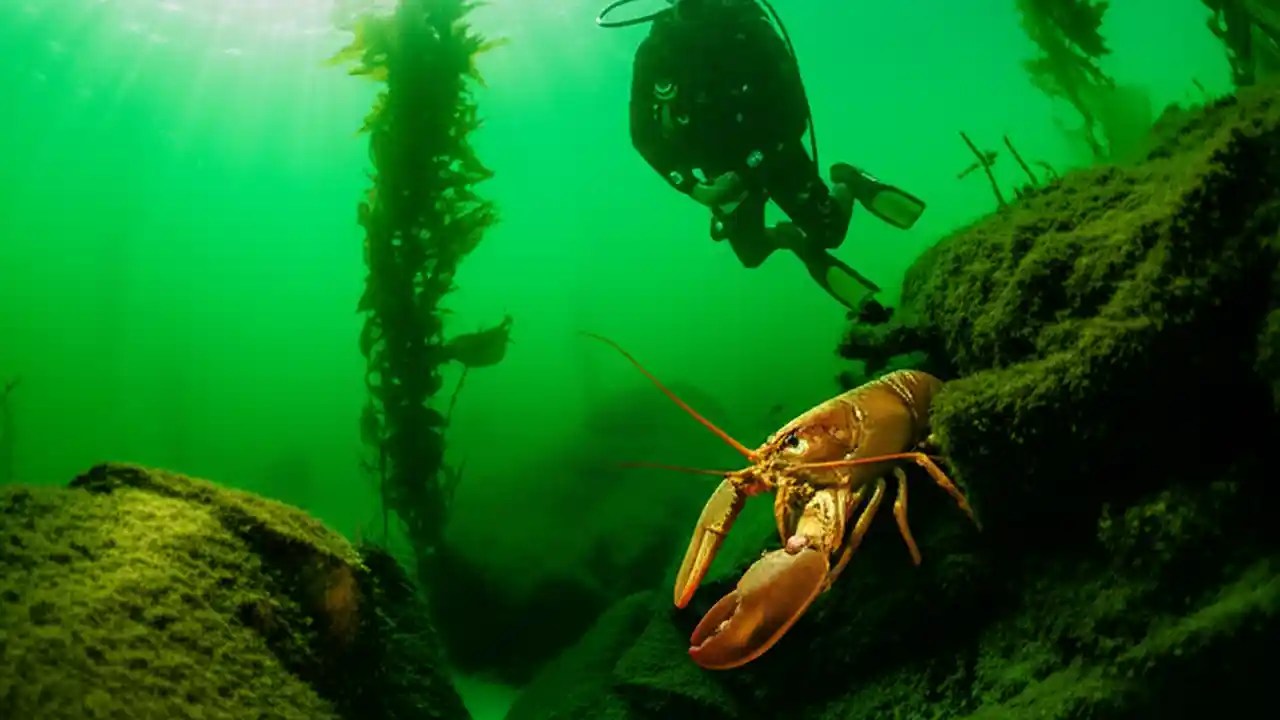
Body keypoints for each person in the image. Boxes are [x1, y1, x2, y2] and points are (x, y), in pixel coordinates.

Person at [623, 0, 927, 312]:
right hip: (722, 175)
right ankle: (792, 240)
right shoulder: (654, 53)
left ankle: (848, 182)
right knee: (752, 254)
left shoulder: (747, 25)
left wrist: (758, 161)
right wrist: (695, 188)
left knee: (830, 233)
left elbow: (795, 107)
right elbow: (643, 135)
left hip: (776, 154)